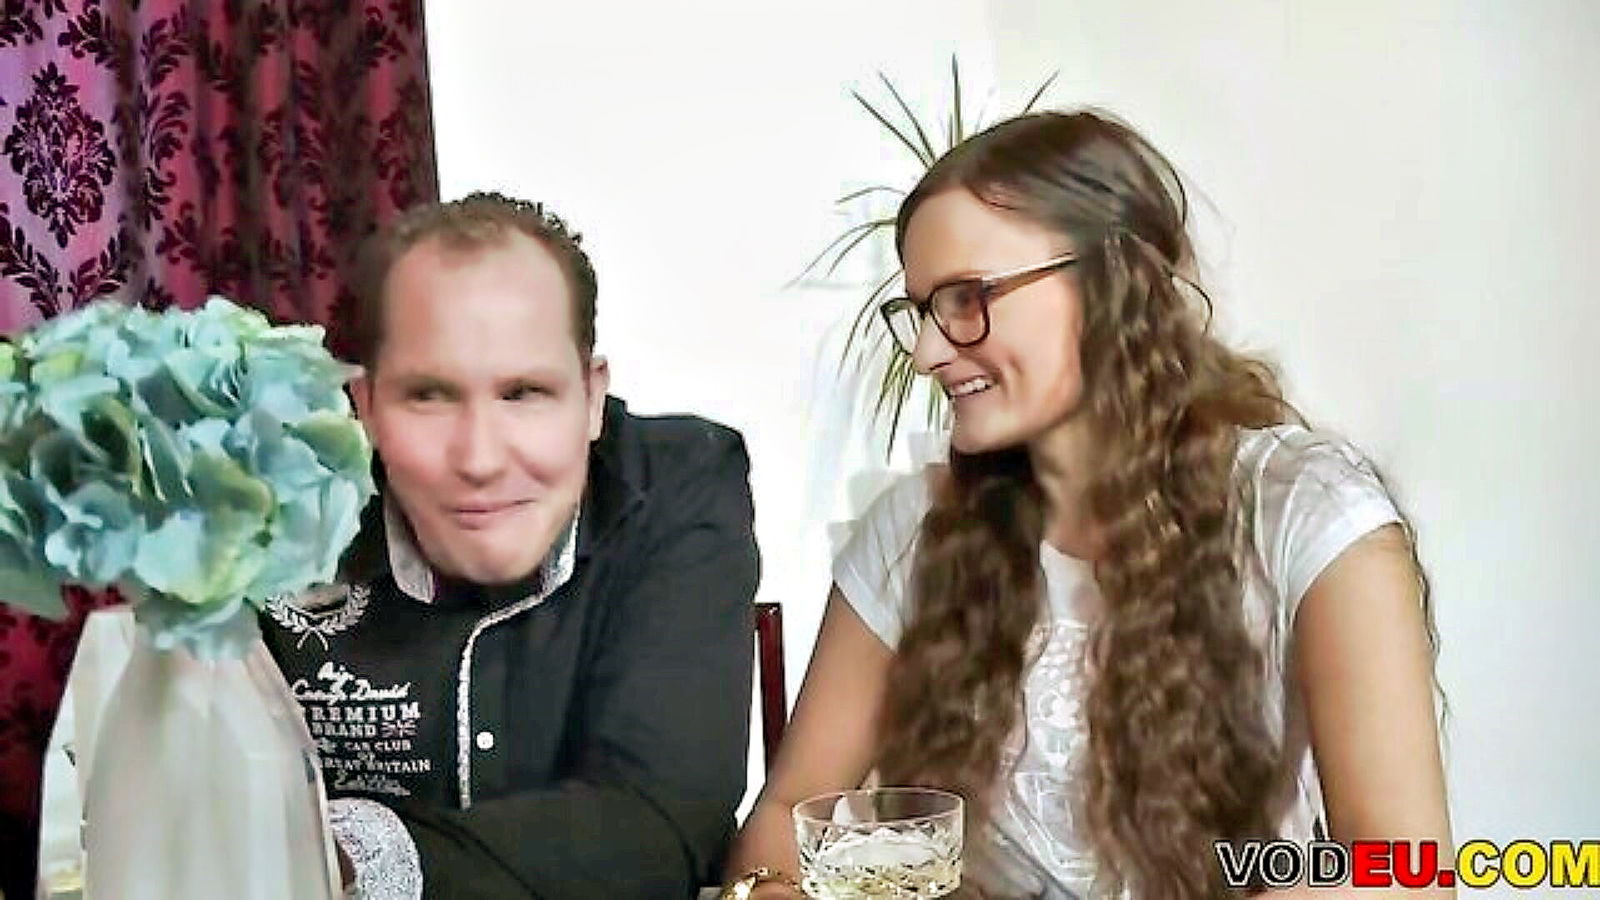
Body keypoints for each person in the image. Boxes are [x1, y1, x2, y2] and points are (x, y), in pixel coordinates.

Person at [722, 111, 1451, 900]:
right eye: (923, 311)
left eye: (969, 298)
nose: (931, 351)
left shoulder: (1304, 512)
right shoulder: (913, 530)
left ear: (1112, 281)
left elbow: (1405, 873)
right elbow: (792, 810)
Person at [261, 192, 761, 899]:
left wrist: (335, 861)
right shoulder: (265, 518)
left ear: (591, 400)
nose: (481, 458)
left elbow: (661, 822)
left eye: (524, 393)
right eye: (429, 396)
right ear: (365, 407)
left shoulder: (678, 485)